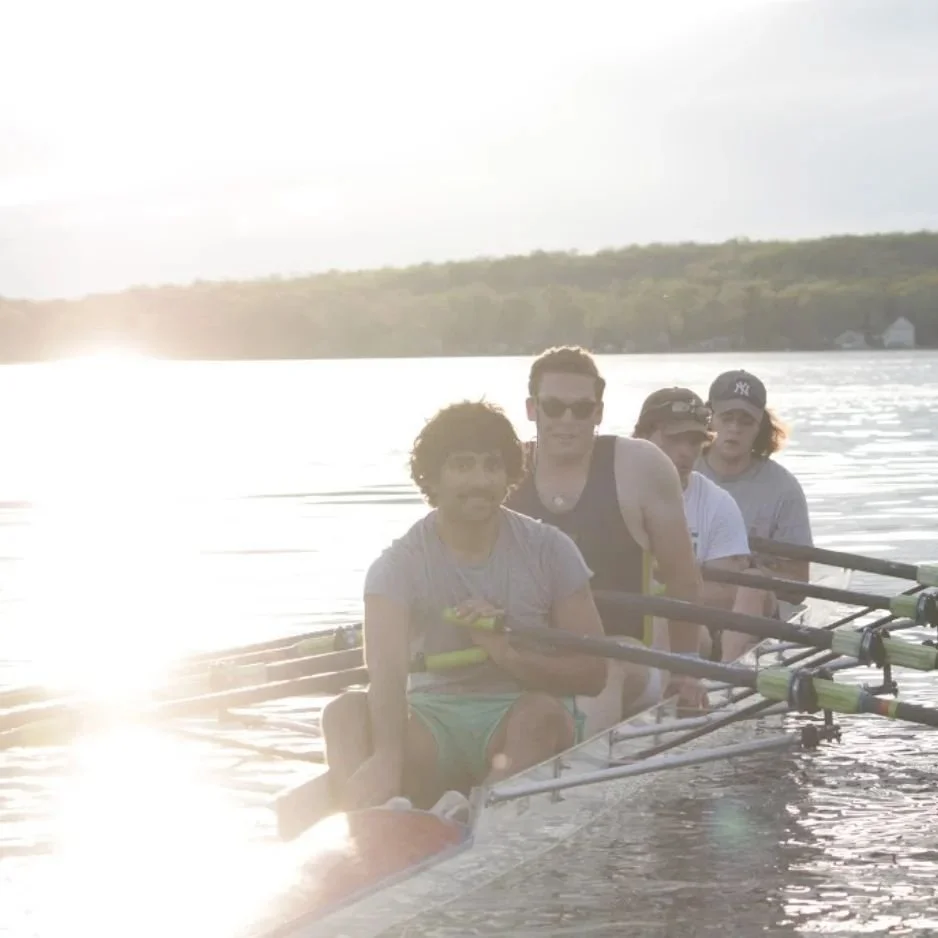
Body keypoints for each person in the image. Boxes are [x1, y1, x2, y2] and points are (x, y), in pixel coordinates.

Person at [321, 400, 607, 814]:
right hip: (430, 722)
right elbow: (385, 675)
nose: (480, 480)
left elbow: (594, 673)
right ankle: (362, 817)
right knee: (343, 713)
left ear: (509, 476)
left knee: (542, 714)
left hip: (516, 720)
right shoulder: (396, 566)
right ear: (432, 478)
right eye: (462, 465)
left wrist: (504, 653)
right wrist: (386, 753)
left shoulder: (550, 551)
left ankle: (477, 815)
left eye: (492, 466)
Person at [504, 346, 704, 723]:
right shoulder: (503, 471)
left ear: (598, 412)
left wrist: (687, 670)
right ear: (532, 410)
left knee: (602, 671)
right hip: (531, 654)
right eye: (553, 407)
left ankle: (578, 769)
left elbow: (682, 578)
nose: (567, 419)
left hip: (623, 653)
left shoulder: (640, 466)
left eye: (581, 409)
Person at [632, 386, 768, 660]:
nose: (685, 452)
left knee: (754, 583)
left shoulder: (718, 503)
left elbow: (726, 594)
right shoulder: (611, 491)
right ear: (641, 438)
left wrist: (661, 593)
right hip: (626, 623)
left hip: (698, 631)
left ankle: (721, 682)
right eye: (675, 439)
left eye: (694, 441)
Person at [695, 370, 813, 586]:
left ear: (760, 427)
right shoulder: (679, 473)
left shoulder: (784, 490)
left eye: (746, 421)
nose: (735, 429)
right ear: (709, 420)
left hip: (752, 604)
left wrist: (747, 569)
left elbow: (798, 584)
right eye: (727, 418)